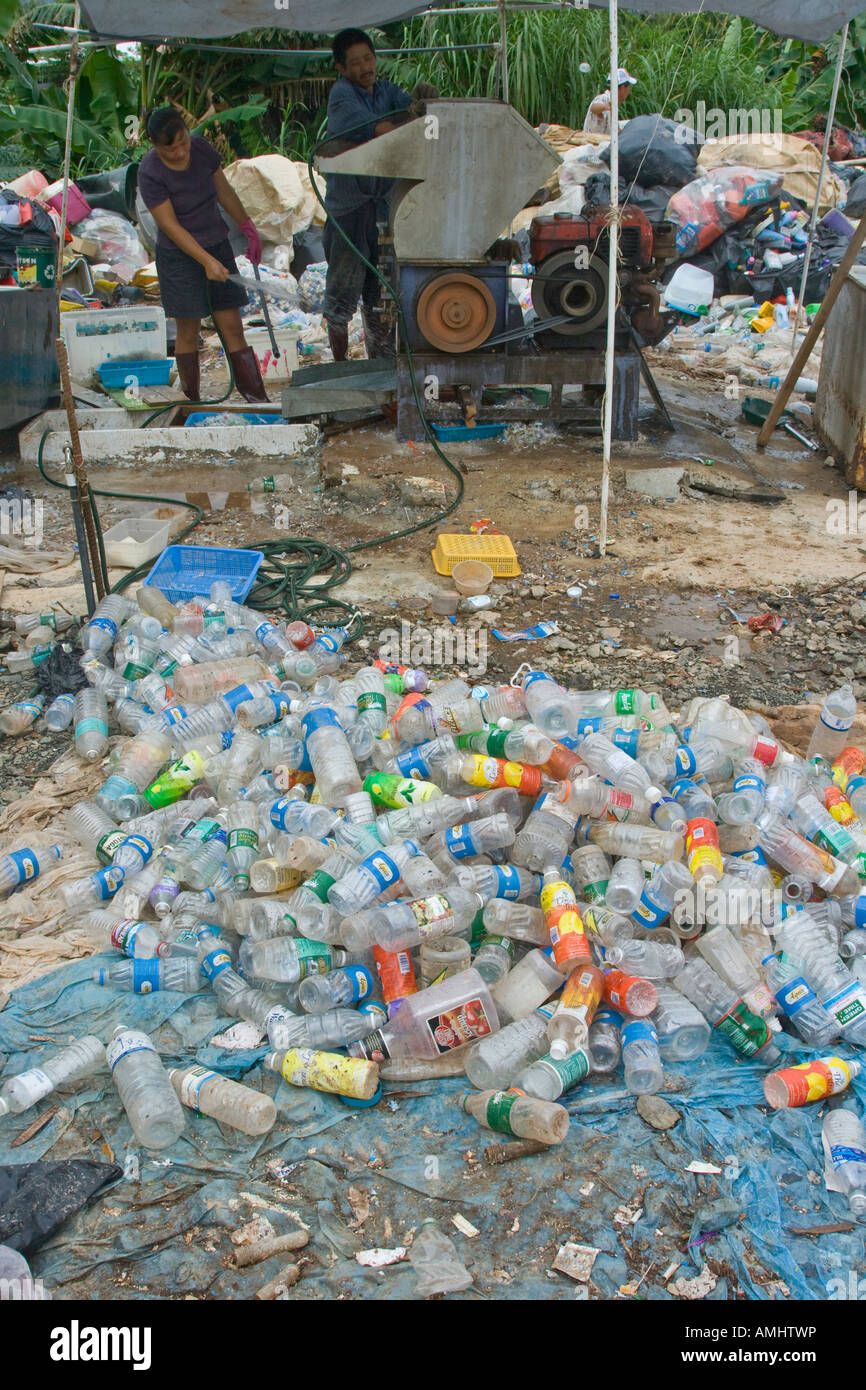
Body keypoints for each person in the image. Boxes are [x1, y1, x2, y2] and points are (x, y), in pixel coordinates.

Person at [137, 107, 268, 403]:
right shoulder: (150, 172)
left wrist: (248, 226)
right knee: (188, 329)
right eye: (169, 149)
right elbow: (169, 225)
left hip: (216, 242)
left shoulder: (202, 150)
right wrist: (205, 261)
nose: (180, 152)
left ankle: (257, 398)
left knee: (232, 326)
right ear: (154, 145)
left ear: (187, 131)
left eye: (183, 142)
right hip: (178, 255)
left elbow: (225, 192)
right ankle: (192, 400)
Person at [321, 28, 437, 361]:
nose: (365, 67)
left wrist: (423, 104)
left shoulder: (386, 91)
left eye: (368, 58)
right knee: (343, 293)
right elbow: (384, 132)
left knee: (382, 295)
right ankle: (340, 369)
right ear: (342, 68)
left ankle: (383, 368)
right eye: (355, 63)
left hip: (384, 209)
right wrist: (414, 119)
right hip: (350, 211)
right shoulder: (342, 96)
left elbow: (415, 114)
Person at [583, 68, 637, 137]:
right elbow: (593, 108)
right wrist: (605, 106)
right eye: (629, 87)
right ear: (623, 87)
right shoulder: (604, 98)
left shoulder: (612, 103)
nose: (629, 91)